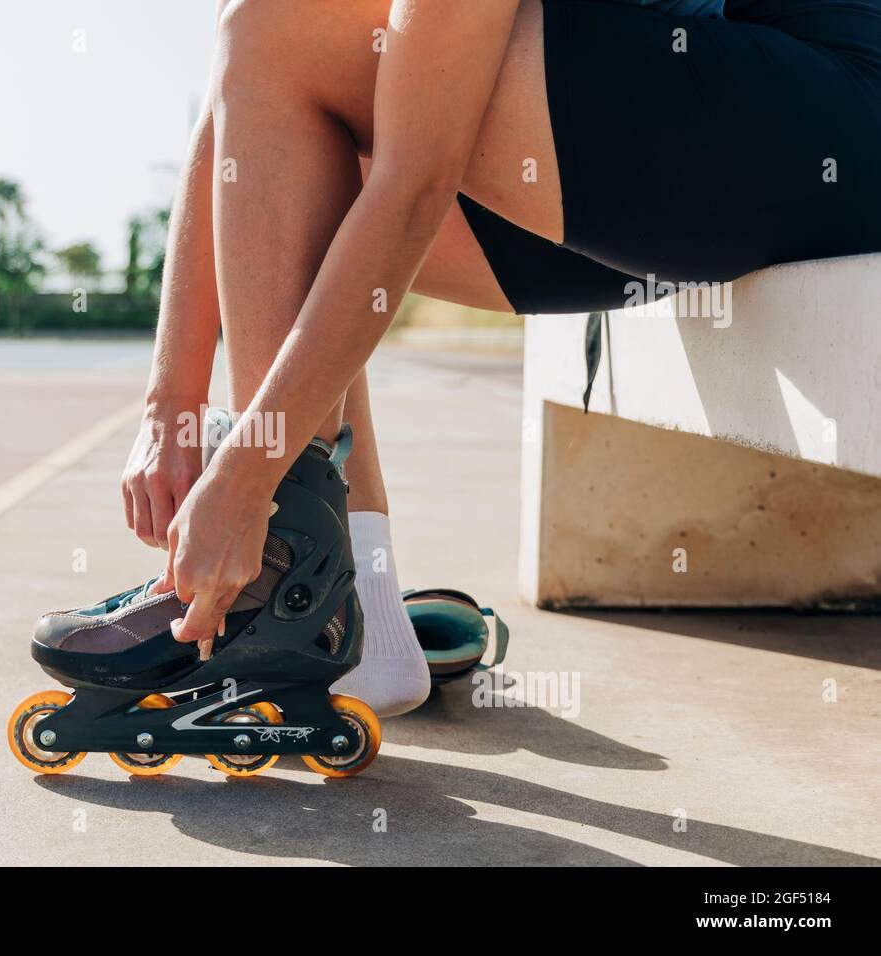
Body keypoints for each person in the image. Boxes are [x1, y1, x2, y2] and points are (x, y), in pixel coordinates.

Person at [116, 0, 881, 717]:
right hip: (680, 154)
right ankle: (348, 617)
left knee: (290, 30)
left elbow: (413, 183)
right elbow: (241, 89)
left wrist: (250, 475)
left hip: (828, 118)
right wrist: (171, 405)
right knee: (288, 97)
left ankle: (294, 586)